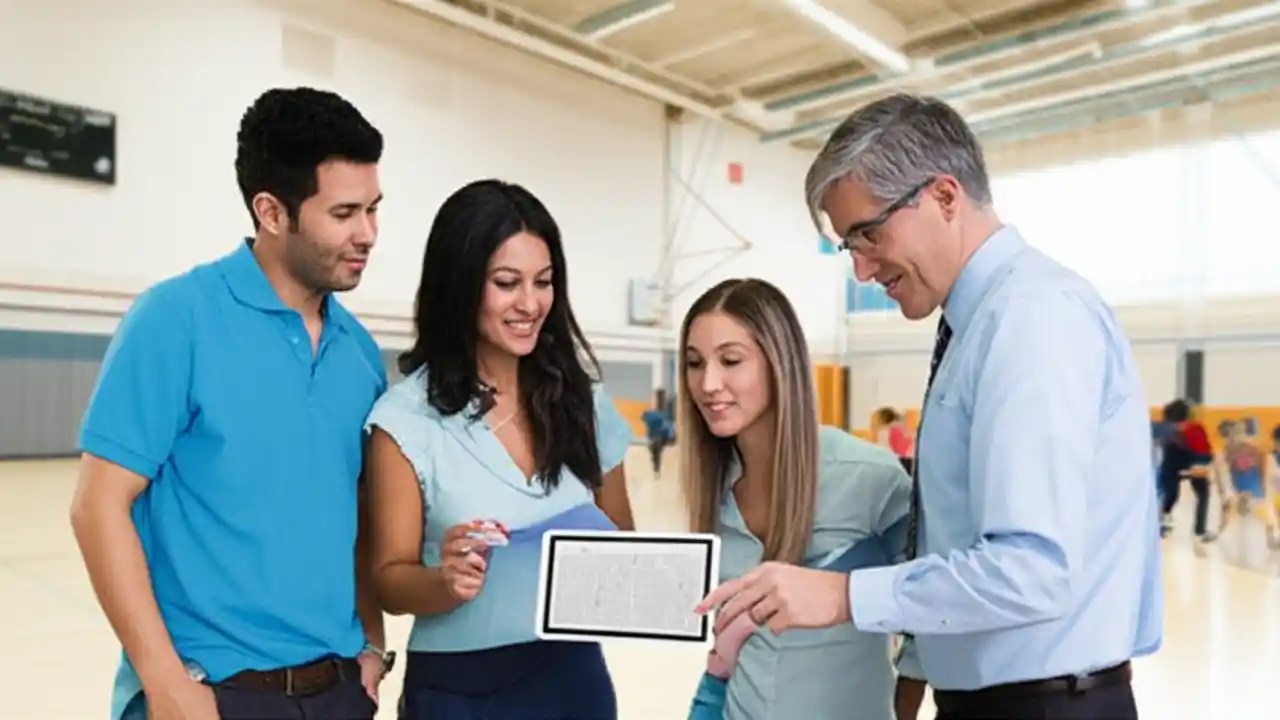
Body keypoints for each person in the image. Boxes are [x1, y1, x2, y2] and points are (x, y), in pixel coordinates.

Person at [696, 93, 1163, 720]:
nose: (861, 269)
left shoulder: (1030, 317)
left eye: (869, 234)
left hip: (1044, 705)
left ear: (944, 196)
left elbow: (1030, 569)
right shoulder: (976, 328)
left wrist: (842, 595)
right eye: (848, 246)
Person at [69, 87, 392, 720]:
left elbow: (357, 516)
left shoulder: (360, 354)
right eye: (345, 213)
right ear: (272, 212)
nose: (369, 234)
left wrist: (372, 645)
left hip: (337, 692)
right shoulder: (175, 320)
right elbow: (97, 505)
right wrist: (165, 685)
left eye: (375, 209)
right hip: (209, 694)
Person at [362, 179, 636, 719]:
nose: (530, 304)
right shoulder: (405, 420)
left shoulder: (584, 402)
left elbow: (623, 538)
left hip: (573, 681)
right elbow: (389, 580)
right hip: (460, 692)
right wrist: (445, 580)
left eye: (544, 281)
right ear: (460, 287)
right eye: (507, 283)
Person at [678, 278, 911, 720]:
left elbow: (928, 621)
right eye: (694, 363)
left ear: (779, 363)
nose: (708, 383)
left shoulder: (870, 480)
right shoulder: (713, 491)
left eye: (730, 361)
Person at [642, 388, 675, 475]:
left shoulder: (666, 414)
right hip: (656, 438)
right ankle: (656, 467)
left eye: (660, 398)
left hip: (662, 438)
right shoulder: (652, 414)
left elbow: (668, 427)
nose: (658, 400)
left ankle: (656, 467)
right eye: (657, 398)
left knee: (656, 444)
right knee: (655, 444)